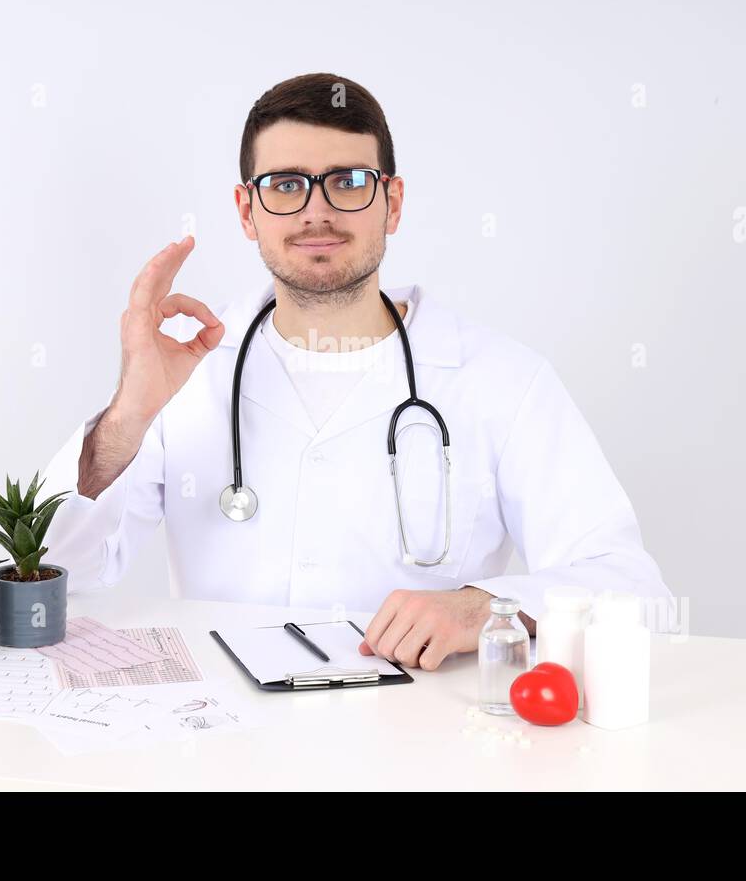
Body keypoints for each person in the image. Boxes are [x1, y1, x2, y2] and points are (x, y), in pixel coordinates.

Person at [41, 72, 676, 671]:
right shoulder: (189, 370)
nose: (316, 212)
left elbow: (632, 585)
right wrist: (129, 412)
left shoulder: (502, 380)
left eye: (347, 181)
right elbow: (52, 574)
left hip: (421, 749)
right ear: (246, 211)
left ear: (392, 203)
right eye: (285, 186)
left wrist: (486, 605)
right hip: (227, 748)